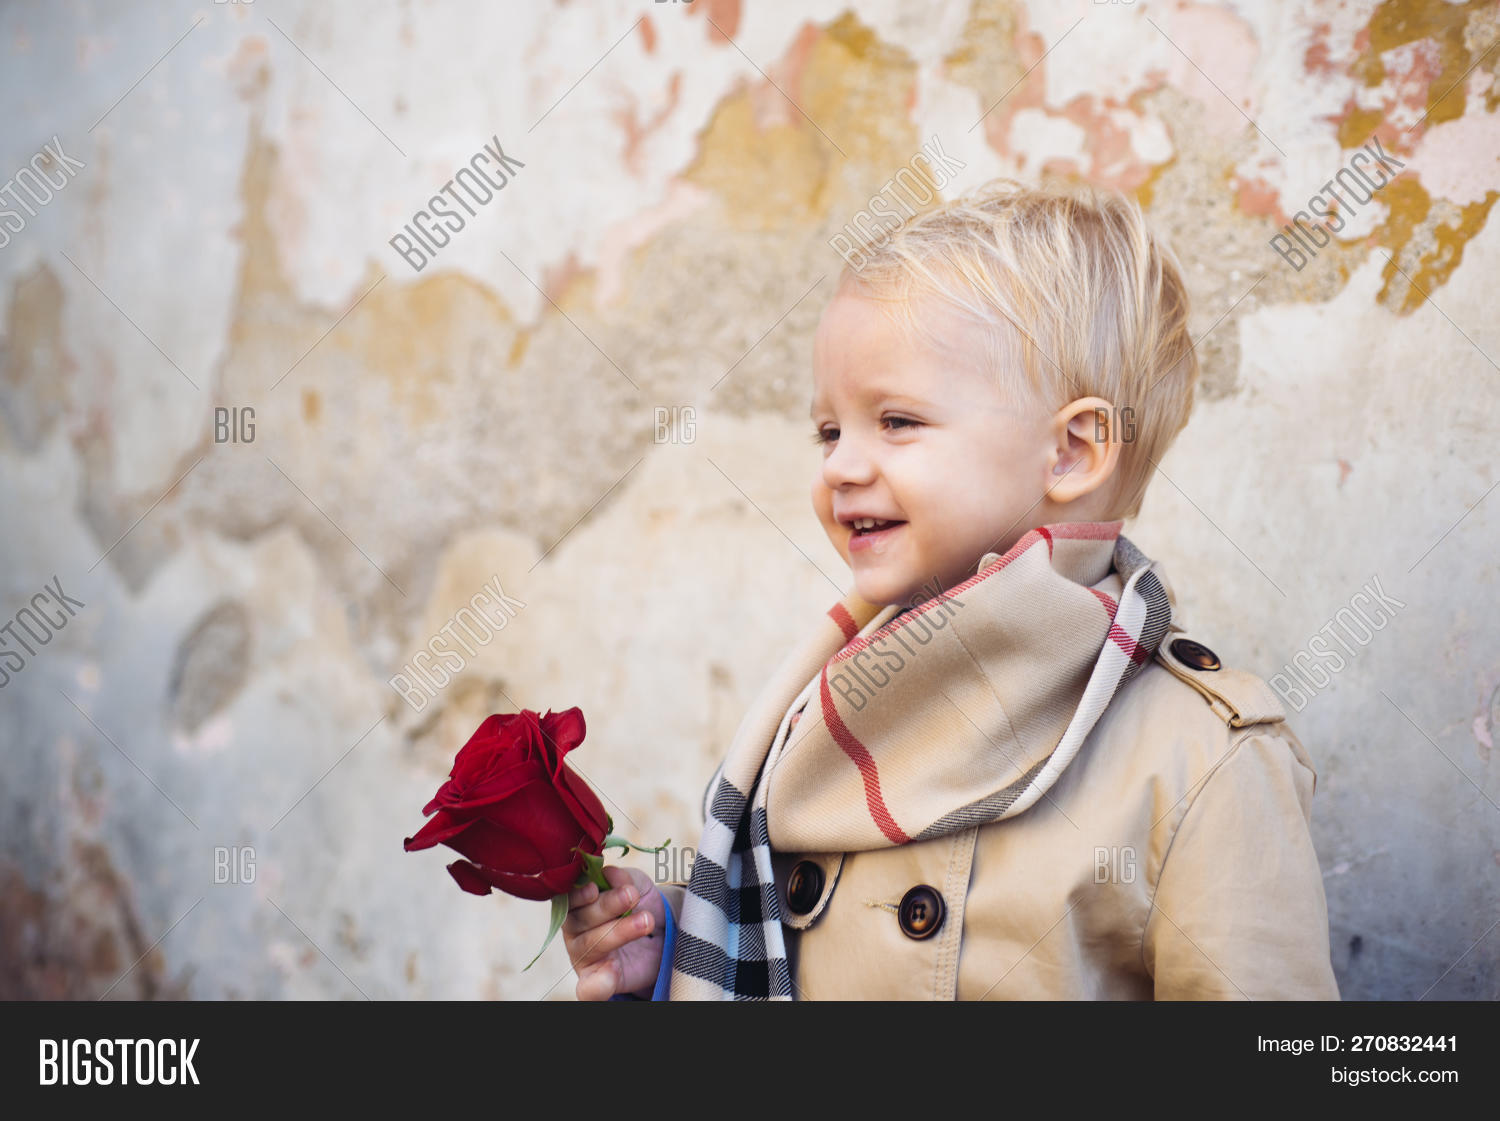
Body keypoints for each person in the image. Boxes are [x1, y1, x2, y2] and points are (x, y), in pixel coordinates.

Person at [563, 178, 1340, 1000]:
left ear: (1074, 450)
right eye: (829, 430)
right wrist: (672, 951)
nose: (840, 465)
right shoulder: (832, 720)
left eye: (896, 421)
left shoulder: (1200, 758)